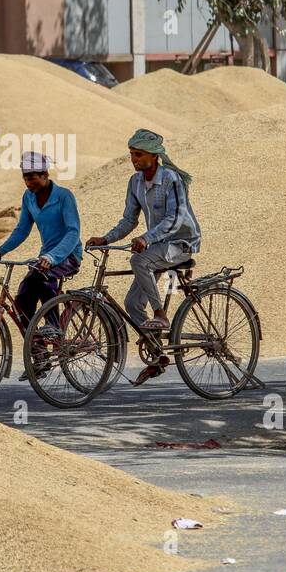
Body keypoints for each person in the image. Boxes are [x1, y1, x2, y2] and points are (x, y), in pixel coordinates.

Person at [88, 128, 201, 382]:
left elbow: (177, 218)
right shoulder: (135, 182)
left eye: (138, 154)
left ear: (153, 156)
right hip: (158, 246)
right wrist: (106, 238)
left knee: (139, 259)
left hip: (181, 243)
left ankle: (160, 315)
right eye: (131, 154)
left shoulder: (172, 179)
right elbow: (129, 219)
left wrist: (146, 238)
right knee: (130, 304)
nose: (134, 159)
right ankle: (158, 354)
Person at [0, 152, 82, 338]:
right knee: (22, 299)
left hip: (68, 255)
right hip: (45, 257)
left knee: (42, 277)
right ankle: (39, 353)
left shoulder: (64, 196)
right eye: (25, 179)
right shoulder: (28, 197)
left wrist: (52, 257)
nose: (29, 183)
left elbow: (73, 231)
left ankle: (54, 325)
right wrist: (0, 251)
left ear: (45, 174)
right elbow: (22, 230)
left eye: (33, 179)